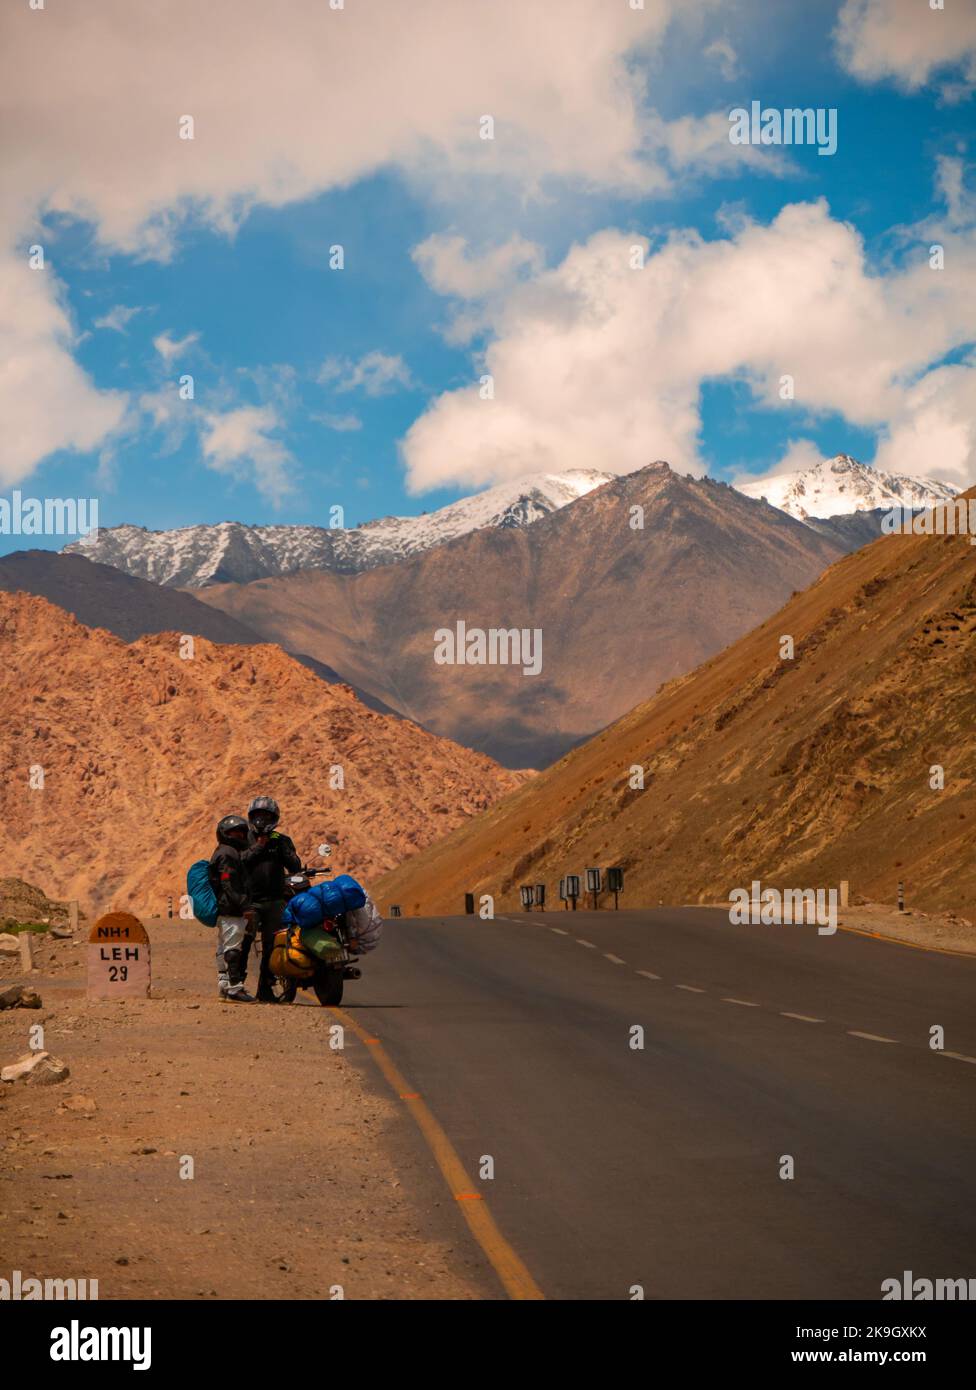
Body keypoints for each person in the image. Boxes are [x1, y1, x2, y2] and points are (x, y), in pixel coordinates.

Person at [242, 795, 302, 1002]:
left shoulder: (282, 841)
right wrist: (259, 846)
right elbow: (240, 863)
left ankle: (265, 989)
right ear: (251, 817)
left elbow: (296, 866)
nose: (261, 820)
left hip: (275, 901)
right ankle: (236, 987)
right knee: (244, 942)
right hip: (250, 902)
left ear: (274, 818)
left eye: (266, 816)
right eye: (257, 815)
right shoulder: (244, 839)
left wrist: (283, 849)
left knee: (272, 945)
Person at [208, 814, 256, 1003]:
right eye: (233, 832)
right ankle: (235, 988)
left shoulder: (224, 851)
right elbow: (229, 884)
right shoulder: (228, 853)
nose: (238, 835)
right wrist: (245, 905)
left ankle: (224, 984)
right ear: (224, 833)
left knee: (224, 946)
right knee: (233, 948)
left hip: (225, 908)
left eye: (241, 832)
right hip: (231, 909)